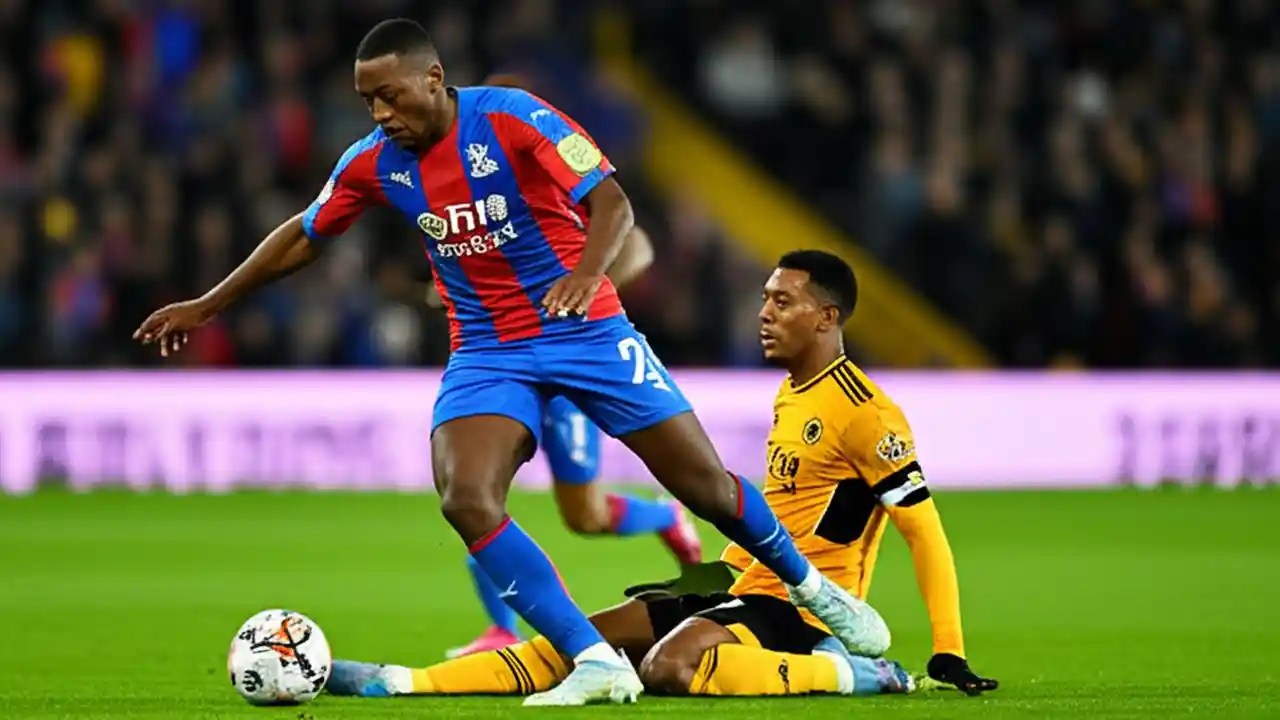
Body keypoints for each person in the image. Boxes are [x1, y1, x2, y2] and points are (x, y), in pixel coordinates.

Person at [132, 19, 884, 706]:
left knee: (710, 490)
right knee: (465, 497)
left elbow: (614, 202)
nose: (380, 115)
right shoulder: (373, 164)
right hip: (488, 351)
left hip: (586, 330)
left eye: (390, 97)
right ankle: (593, 659)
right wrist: (208, 303)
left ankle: (814, 590)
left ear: (433, 79)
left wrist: (591, 271)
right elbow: (303, 234)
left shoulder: (513, 118)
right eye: (367, 103)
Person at [324, 250, 998, 699]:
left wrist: (948, 648)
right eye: (764, 298)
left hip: (792, 607)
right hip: (739, 584)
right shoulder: (795, 392)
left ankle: (856, 674)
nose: (764, 312)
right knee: (581, 638)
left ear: (828, 317)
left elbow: (924, 530)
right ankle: (402, 683)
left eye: (783, 302)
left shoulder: (866, 414)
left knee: (669, 666)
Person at [435, 225, 703, 659]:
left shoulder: (560, 194)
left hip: (566, 368)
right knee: (479, 499)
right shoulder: (482, 206)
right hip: (502, 372)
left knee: (586, 516)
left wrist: (585, 289)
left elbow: (637, 244)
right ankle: (503, 628)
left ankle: (664, 516)